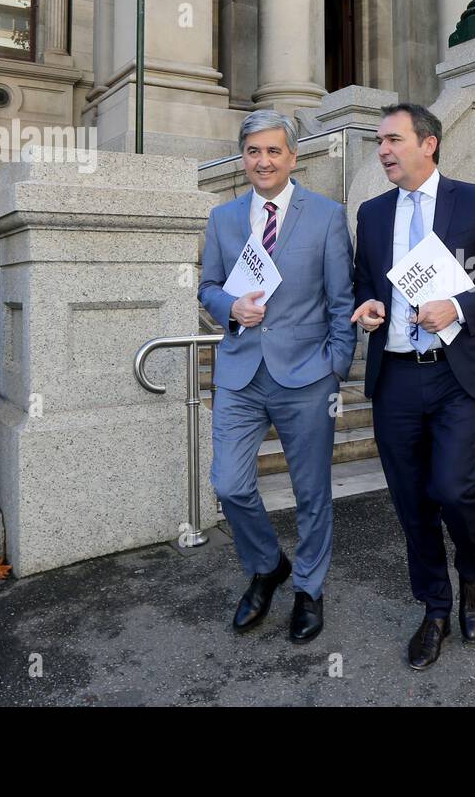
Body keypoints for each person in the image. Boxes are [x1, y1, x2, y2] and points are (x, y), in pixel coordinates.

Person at [351, 103, 475, 669]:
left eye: (393, 140)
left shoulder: (473, 201)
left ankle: (473, 574)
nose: (383, 150)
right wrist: (367, 305)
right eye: (379, 141)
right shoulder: (373, 214)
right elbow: (361, 283)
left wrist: (454, 305)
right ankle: (433, 607)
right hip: (396, 375)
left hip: (457, 373)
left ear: (428, 144)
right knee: (411, 502)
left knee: (453, 489)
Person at [198, 110, 355, 643]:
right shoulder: (222, 218)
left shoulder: (327, 215)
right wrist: (229, 307)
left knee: (311, 492)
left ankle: (309, 588)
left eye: (272, 151)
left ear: (292, 156)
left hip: (307, 376)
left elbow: (341, 300)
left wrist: (335, 366)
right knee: (229, 483)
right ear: (242, 157)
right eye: (252, 152)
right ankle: (268, 567)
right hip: (240, 372)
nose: (262, 161)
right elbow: (208, 287)